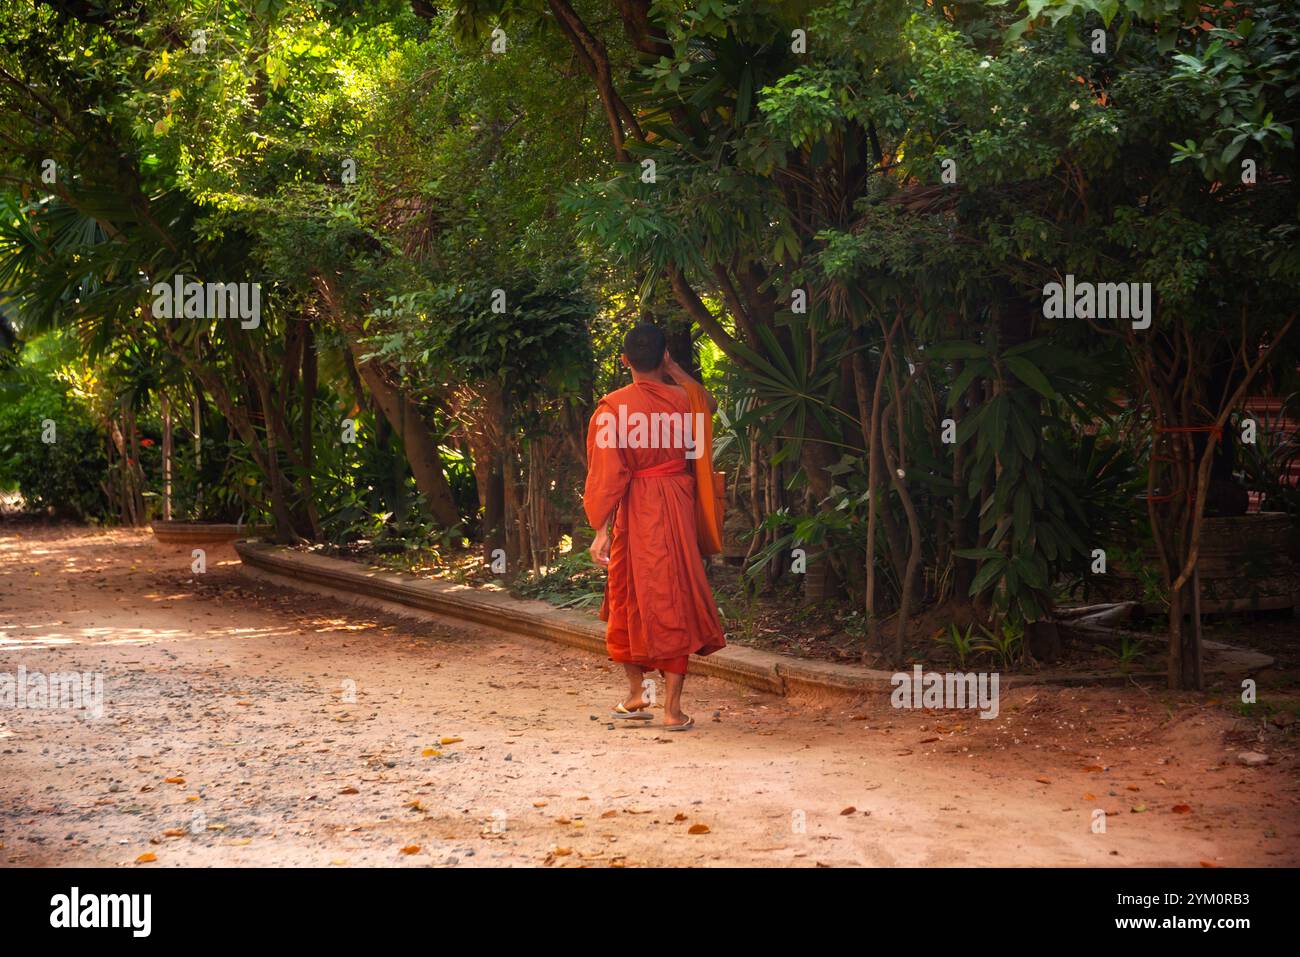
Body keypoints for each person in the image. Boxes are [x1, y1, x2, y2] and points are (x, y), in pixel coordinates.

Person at [583, 323, 725, 731]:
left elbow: (608, 474)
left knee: (629, 594)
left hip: (635, 507)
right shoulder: (685, 401)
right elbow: (709, 405)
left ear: (625, 360)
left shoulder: (612, 408)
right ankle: (672, 709)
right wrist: (676, 372)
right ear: (664, 357)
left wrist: (600, 529)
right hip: (677, 505)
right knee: (673, 595)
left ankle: (635, 696)